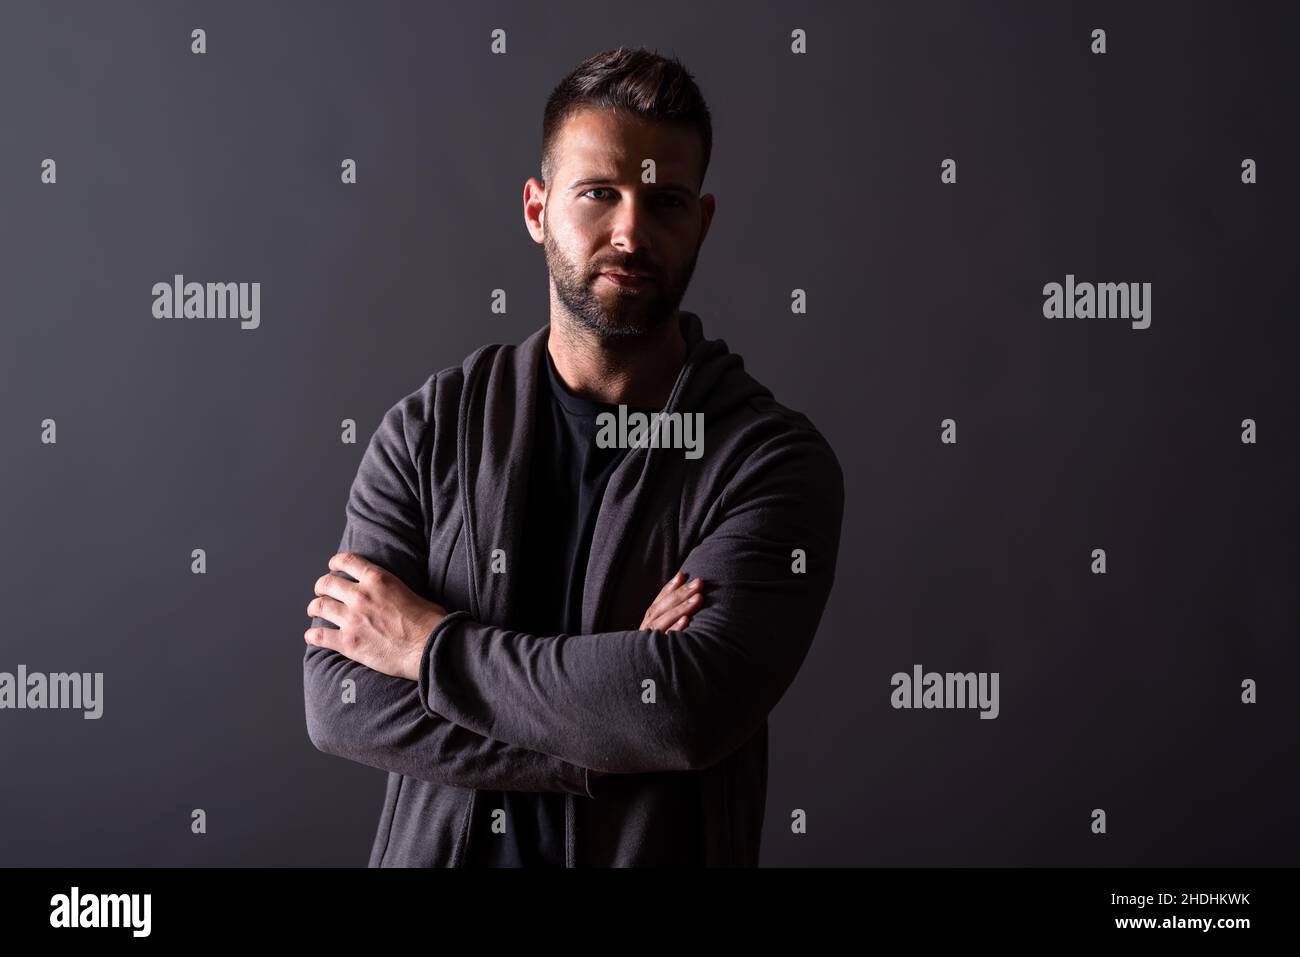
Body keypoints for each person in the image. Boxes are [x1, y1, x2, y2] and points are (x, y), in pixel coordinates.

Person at [302, 46, 844, 867]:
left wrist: (427, 646)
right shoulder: (427, 430)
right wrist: (606, 719)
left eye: (663, 201)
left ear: (701, 222)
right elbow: (340, 701)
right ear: (536, 208)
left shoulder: (769, 461)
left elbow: (680, 710)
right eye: (599, 193)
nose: (631, 230)